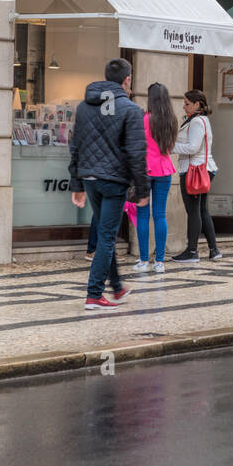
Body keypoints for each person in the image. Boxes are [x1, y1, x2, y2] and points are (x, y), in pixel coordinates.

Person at [69, 58, 149, 311]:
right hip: (114, 181)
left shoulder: (84, 107)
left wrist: (77, 184)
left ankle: (116, 287)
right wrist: (143, 190)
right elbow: (137, 153)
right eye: (130, 80)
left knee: (106, 233)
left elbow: (75, 146)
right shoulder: (131, 109)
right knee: (106, 236)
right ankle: (93, 294)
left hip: (90, 178)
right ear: (126, 80)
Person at [171, 89, 221, 263]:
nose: (183, 107)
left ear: (197, 104)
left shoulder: (197, 122)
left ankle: (192, 251)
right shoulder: (198, 120)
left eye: (186, 103)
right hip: (202, 169)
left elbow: (193, 147)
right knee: (201, 210)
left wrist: (170, 147)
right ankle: (214, 250)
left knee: (193, 211)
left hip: (195, 171)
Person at [133, 83, 178, 273]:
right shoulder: (171, 120)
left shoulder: (145, 118)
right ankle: (160, 261)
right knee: (160, 215)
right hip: (164, 170)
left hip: (145, 170)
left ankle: (144, 260)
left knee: (143, 214)